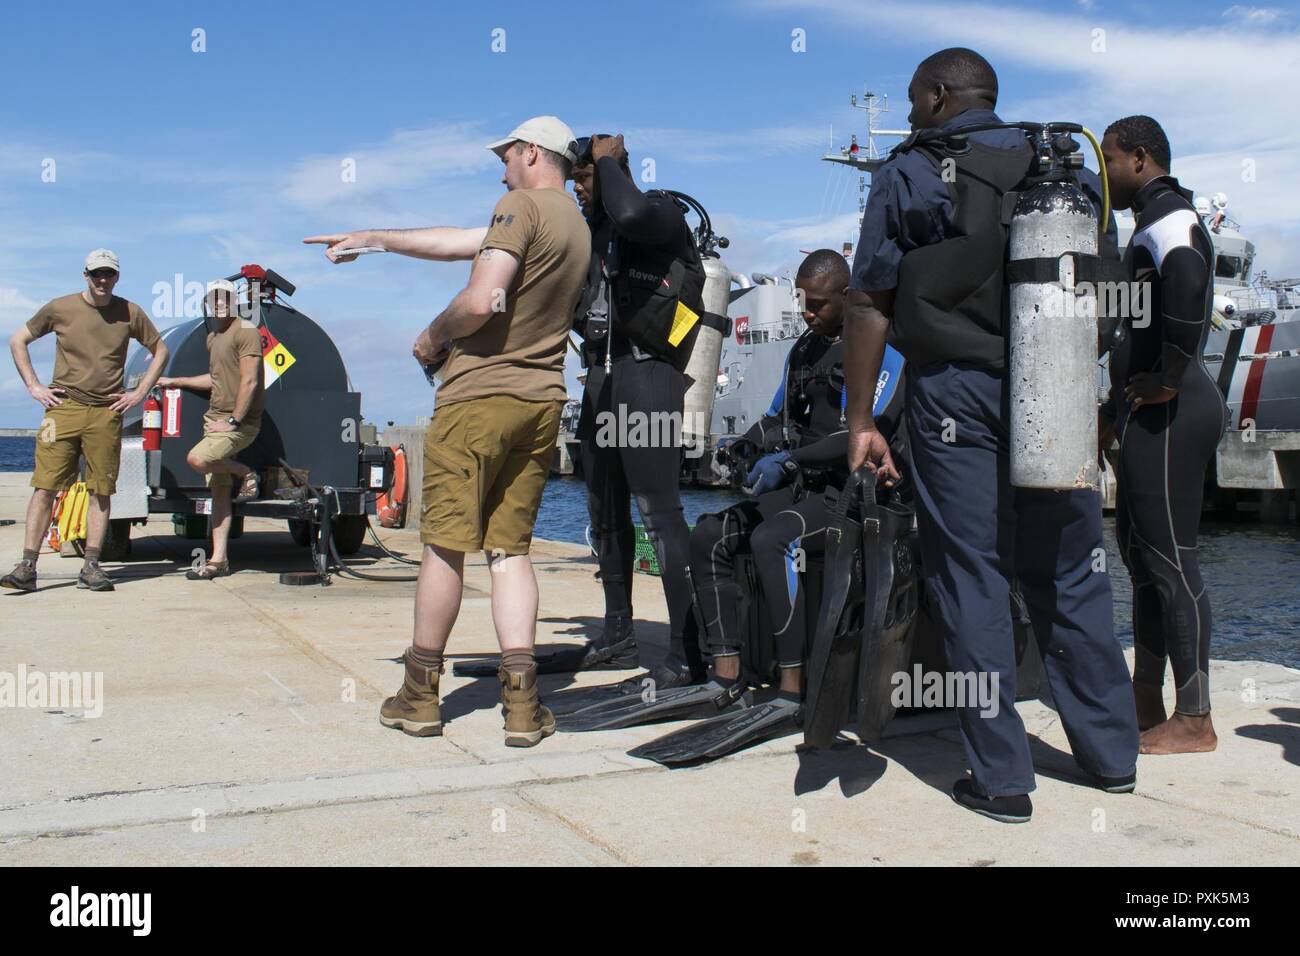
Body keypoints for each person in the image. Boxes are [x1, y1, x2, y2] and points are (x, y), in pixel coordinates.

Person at [841, 48, 1139, 823]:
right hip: (1057, 384)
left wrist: (861, 418)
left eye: (915, 99)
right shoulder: (1067, 170)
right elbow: (1105, 292)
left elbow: (869, 301)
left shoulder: (911, 170)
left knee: (970, 572)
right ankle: (1112, 758)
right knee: (1072, 569)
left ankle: (1003, 779)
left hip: (957, 392)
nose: (912, 112)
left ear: (940, 95)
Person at [304, 116, 590, 747]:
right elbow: (458, 241)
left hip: (478, 398)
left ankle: (419, 695)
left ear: (532, 152)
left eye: (506, 157)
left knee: (445, 545)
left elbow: (481, 298)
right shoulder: (574, 225)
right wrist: (373, 238)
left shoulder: (519, 206)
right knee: (510, 551)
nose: (502, 170)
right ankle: (523, 707)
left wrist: (432, 337)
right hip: (541, 402)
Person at [552, 250, 906, 740]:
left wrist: (790, 460)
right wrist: (747, 444)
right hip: (805, 487)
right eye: (803, 302)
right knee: (709, 534)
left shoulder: (878, 351)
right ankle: (726, 675)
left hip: (851, 495)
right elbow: (778, 418)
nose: (807, 312)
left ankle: (792, 689)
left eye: (819, 304)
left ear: (847, 297)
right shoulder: (804, 350)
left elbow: (861, 435)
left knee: (772, 540)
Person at [1100, 115, 1228, 755]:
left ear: (1140, 157)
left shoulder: (1171, 219)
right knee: (1142, 555)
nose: (1104, 172)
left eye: (1110, 159)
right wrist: (1113, 405)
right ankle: (1144, 694)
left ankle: (1196, 718)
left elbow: (1189, 282)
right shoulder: (1146, 223)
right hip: (1147, 411)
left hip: (1176, 411)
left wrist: (1171, 376)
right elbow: (1132, 330)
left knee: (1172, 557)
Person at [565, 132, 707, 681]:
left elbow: (628, 211)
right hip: (603, 377)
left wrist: (606, 161)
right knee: (603, 512)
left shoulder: (660, 214)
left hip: (648, 374)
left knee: (658, 512)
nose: (577, 189)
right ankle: (618, 635)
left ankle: (687, 651)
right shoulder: (595, 234)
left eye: (583, 178)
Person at [3, 249, 168, 593]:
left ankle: (91, 566)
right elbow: (18, 340)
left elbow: (160, 350)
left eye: (109, 274)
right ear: (86, 275)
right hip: (64, 409)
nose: (102, 280)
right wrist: (34, 386)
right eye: (96, 274)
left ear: (117, 276)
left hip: (107, 412)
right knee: (45, 486)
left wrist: (138, 394)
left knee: (101, 490)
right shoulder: (60, 308)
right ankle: (27, 566)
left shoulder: (130, 312)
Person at [157, 279, 265, 579]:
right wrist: (176, 381)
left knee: (198, 458)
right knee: (219, 493)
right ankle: (219, 560)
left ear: (234, 302)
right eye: (214, 299)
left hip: (238, 423)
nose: (219, 304)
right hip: (214, 418)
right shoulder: (213, 337)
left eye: (225, 298)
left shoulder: (246, 331)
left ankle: (245, 472)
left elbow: (250, 380)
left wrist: (234, 420)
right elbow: (216, 379)